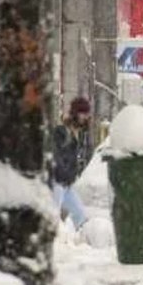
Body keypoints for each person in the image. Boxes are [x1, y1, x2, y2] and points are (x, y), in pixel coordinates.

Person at [51, 96, 92, 229]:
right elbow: (55, 155)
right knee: (52, 217)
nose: (85, 117)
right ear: (75, 113)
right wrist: (61, 172)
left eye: (86, 114)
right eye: (83, 113)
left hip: (67, 185)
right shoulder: (61, 132)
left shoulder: (77, 134)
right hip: (57, 183)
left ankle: (83, 235)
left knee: (80, 215)